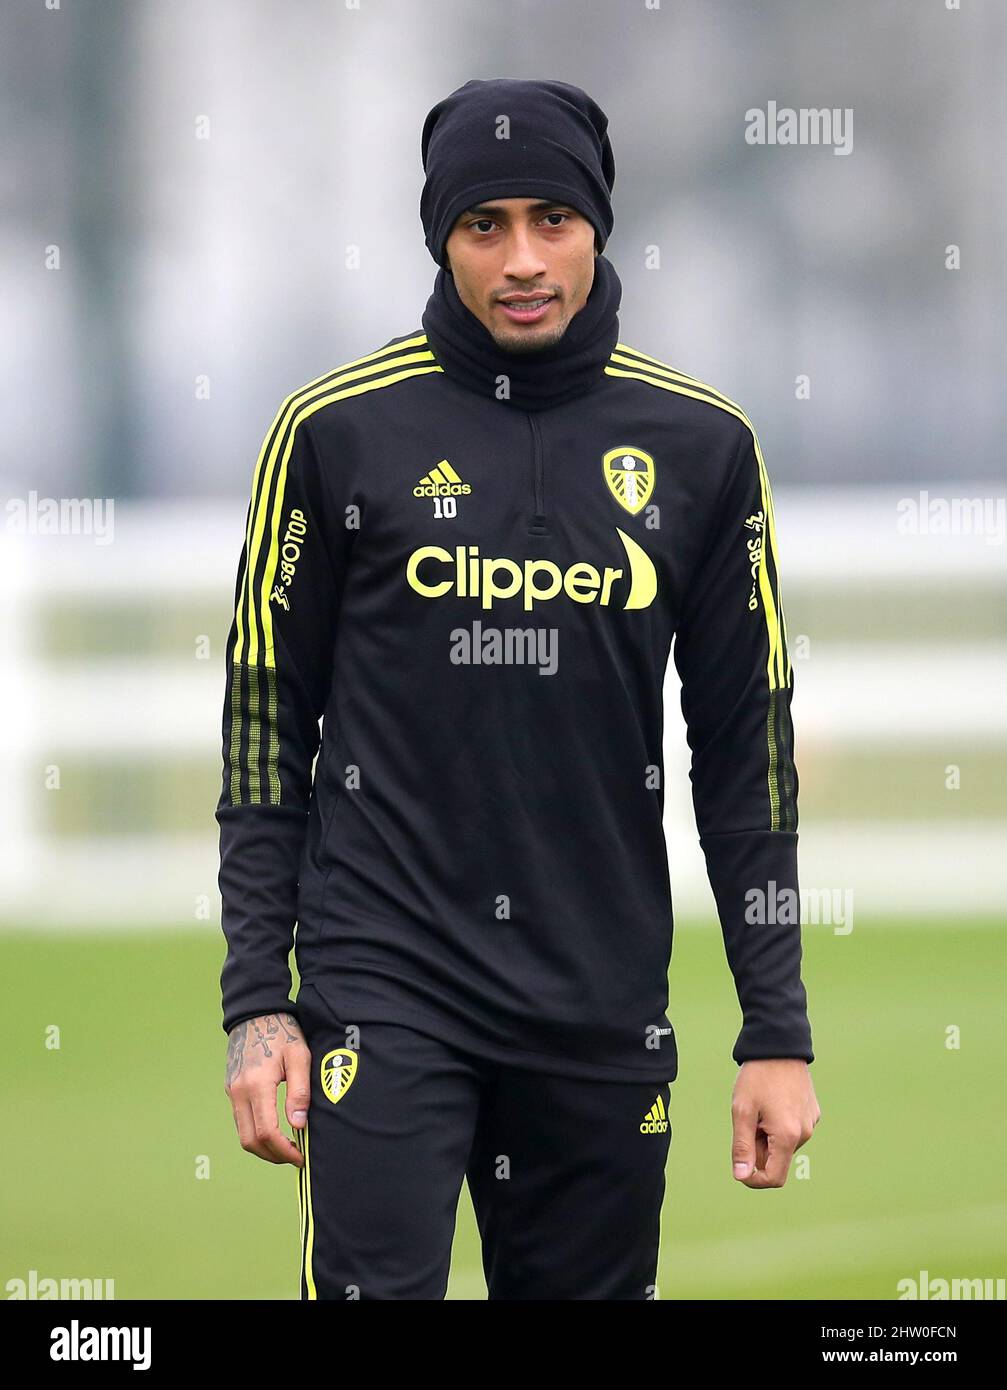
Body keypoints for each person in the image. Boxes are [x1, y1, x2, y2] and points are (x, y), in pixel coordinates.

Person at [216, 77, 820, 1301]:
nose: (523, 258)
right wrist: (258, 1005)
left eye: (552, 217)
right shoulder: (333, 432)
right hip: (383, 983)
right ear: (439, 239)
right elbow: (262, 730)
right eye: (482, 225)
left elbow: (745, 748)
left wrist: (775, 1030)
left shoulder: (701, 447)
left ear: (599, 224)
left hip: (595, 999)